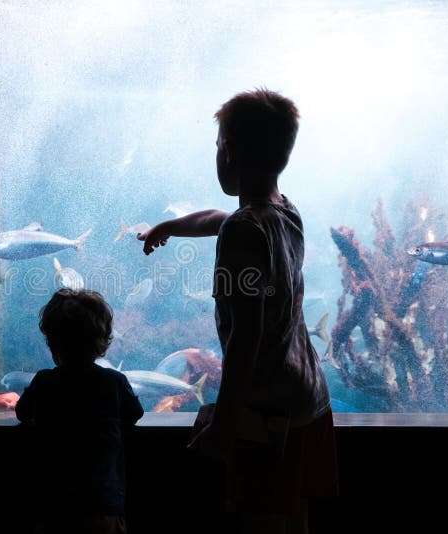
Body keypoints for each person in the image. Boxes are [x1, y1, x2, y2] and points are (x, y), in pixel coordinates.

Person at [138, 88, 337, 533]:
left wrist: (225, 426)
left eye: (217, 146)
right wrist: (173, 225)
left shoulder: (241, 234)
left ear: (228, 152)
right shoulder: (284, 212)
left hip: (268, 410)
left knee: (262, 519)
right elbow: (218, 218)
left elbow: (245, 338)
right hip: (308, 396)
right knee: (294, 517)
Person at [16, 289, 144, 534]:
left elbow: (23, 413)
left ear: (52, 341)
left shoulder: (44, 381)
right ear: (103, 340)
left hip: (53, 504)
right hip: (103, 506)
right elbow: (134, 414)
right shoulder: (114, 382)